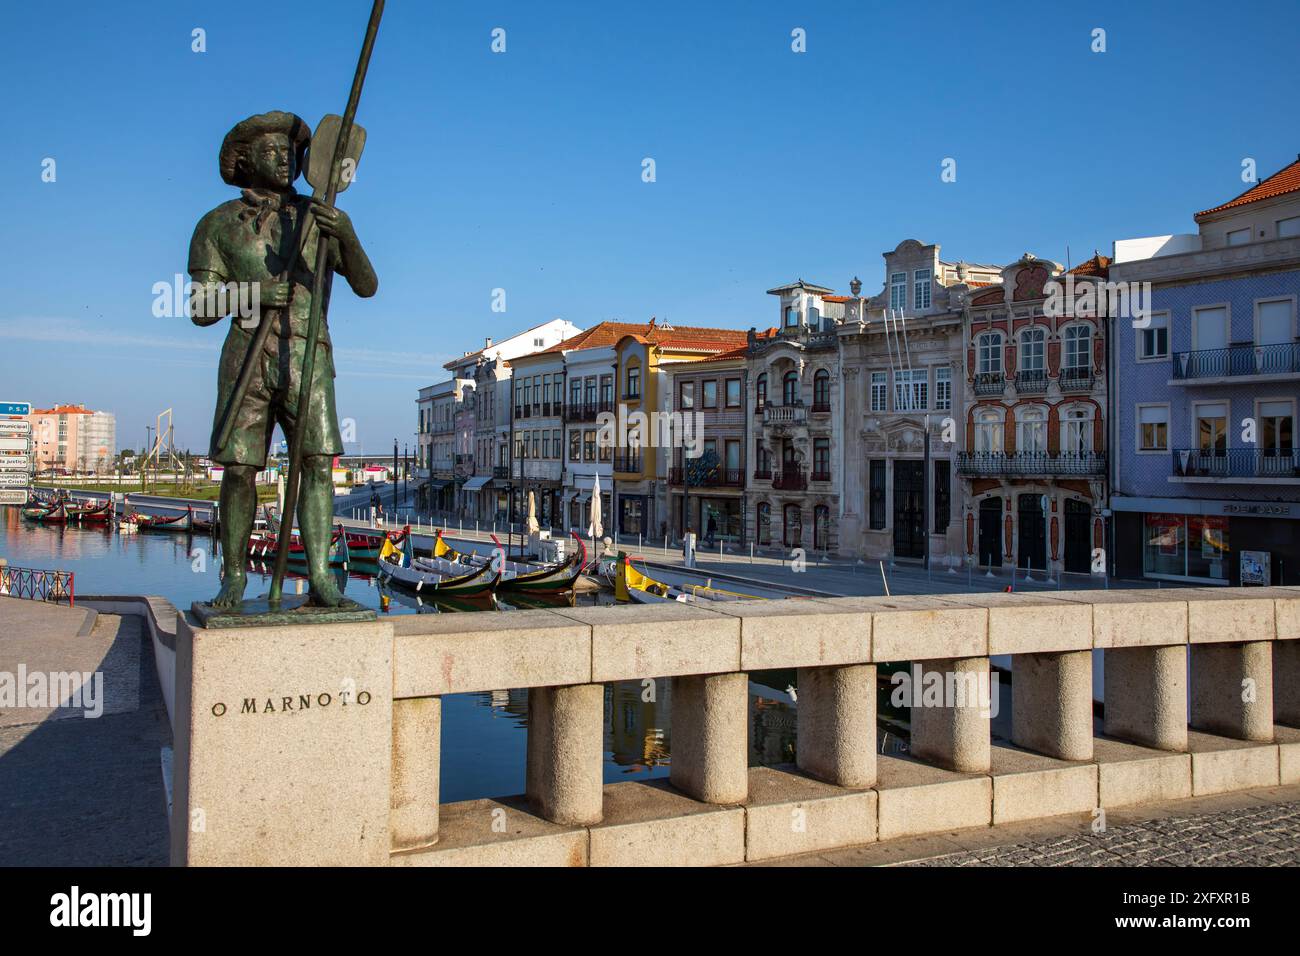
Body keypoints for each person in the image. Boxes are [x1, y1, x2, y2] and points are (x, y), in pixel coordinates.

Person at [188, 111, 378, 608]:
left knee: (317, 463)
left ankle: (320, 576)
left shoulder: (320, 216)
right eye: (272, 151)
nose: (285, 160)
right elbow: (200, 308)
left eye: (291, 152)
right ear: (245, 159)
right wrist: (254, 293)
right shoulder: (216, 225)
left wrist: (347, 233)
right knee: (239, 468)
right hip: (246, 357)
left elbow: (367, 285)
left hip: (308, 353)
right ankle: (233, 576)